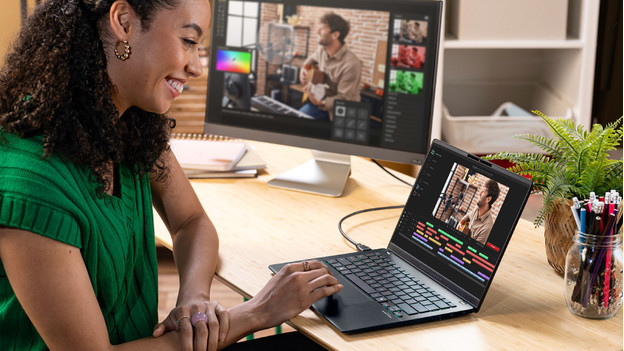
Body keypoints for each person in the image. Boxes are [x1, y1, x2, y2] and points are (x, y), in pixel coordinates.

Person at [0, 0, 342, 350]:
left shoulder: (124, 123)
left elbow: (191, 221)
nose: (196, 67)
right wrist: (257, 311)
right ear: (124, 21)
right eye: (188, 42)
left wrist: (193, 300)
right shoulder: (32, 182)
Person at [299, 13, 362, 121]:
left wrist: (320, 102)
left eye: (322, 28)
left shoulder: (352, 64)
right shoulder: (322, 49)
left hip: (339, 113)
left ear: (335, 35)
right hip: (322, 99)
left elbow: (343, 99)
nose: (317, 31)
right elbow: (311, 59)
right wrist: (304, 68)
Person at [458, 180, 500, 245]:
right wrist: (461, 223)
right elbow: (468, 216)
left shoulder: (487, 228)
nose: (479, 193)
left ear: (488, 199)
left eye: (483, 191)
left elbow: (474, 249)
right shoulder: (477, 208)